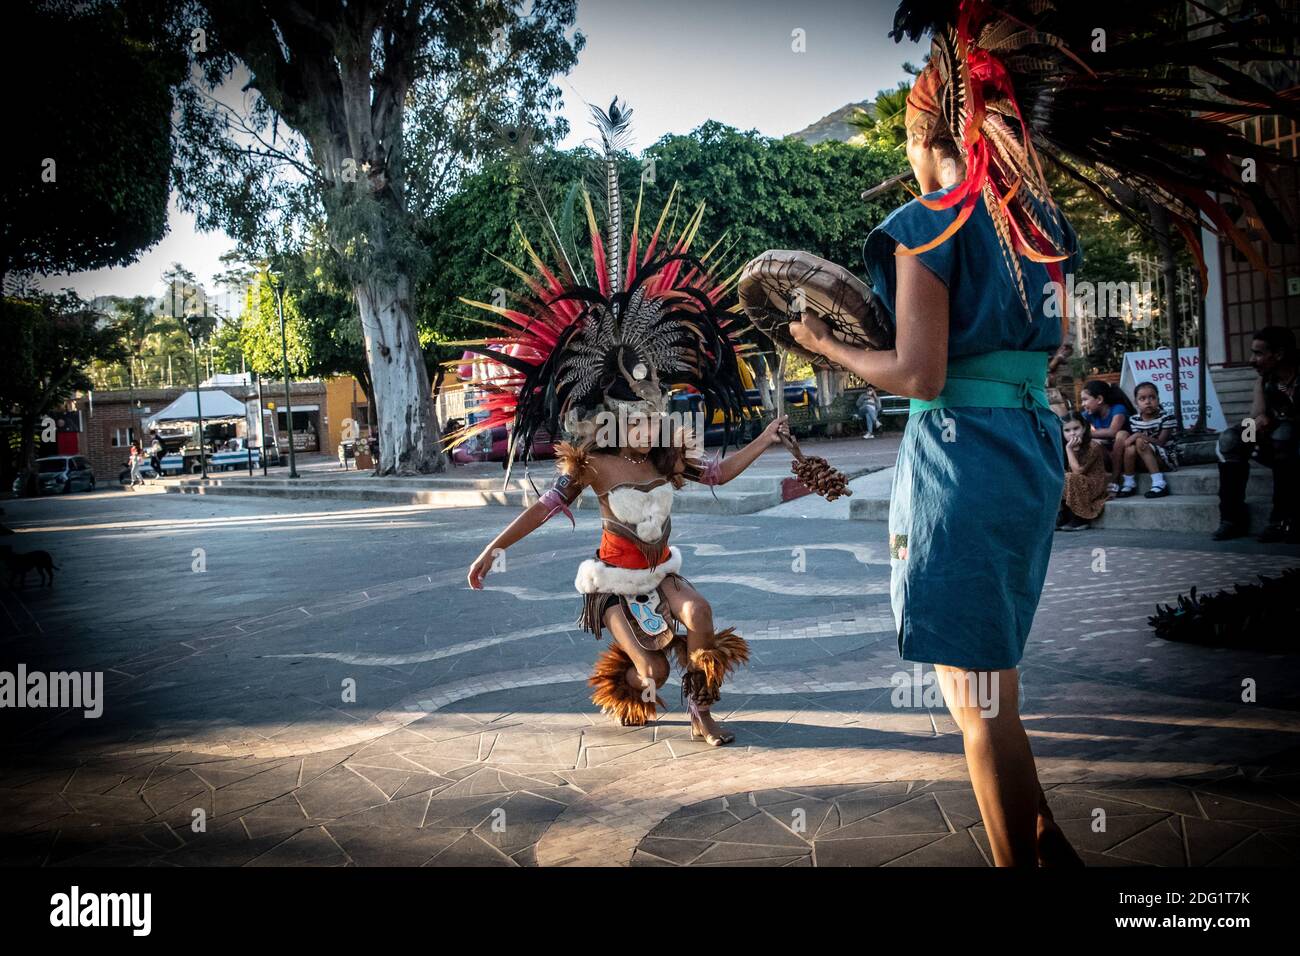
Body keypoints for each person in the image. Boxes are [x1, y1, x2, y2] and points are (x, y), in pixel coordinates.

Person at [789, 58, 1081, 867]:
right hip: (1028, 449)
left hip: (963, 461)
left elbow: (921, 373)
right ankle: (1048, 837)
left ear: (926, 143)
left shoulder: (929, 222)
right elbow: (1049, 354)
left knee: (974, 698)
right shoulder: (1043, 231)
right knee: (998, 679)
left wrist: (827, 346)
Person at [461, 99, 765, 745]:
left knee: (701, 612)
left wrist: (767, 438)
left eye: (652, 410)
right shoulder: (590, 463)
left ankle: (702, 712)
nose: (648, 419)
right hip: (616, 584)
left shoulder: (664, 453)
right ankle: (645, 670)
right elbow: (543, 510)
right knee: (651, 669)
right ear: (608, 413)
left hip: (661, 571)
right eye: (637, 412)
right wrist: (493, 548)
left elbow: (718, 474)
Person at [1215, 326, 1299, 542]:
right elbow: (1255, 416)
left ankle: (1282, 520)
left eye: (1259, 353)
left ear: (1279, 354)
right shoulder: (1264, 381)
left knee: (1285, 433)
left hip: (1291, 447)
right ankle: (1231, 519)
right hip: (1275, 445)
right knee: (1231, 440)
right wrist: (1257, 421)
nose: (1252, 360)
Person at [1119, 381, 1177, 499]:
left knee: (1139, 440)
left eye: (1152, 397)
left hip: (1165, 459)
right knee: (1130, 448)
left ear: (1158, 399)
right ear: (1136, 403)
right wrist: (1135, 438)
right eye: (1142, 399)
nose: (1148, 402)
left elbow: (1161, 442)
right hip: (1145, 457)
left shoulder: (1167, 417)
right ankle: (1129, 482)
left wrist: (1138, 436)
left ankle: (1159, 483)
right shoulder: (1134, 420)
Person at [1079, 380, 1134, 497]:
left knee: (1121, 434)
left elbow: (1113, 431)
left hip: (1127, 457)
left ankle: (1115, 478)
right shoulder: (1089, 414)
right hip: (1108, 457)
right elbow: (1074, 425)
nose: (1082, 404)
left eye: (1085, 399)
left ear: (1099, 399)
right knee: (1093, 444)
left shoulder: (1118, 409)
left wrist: (1086, 434)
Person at [1058, 413, 1107, 531]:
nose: (1072, 433)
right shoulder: (1061, 446)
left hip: (1093, 484)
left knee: (1071, 477)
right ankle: (1062, 515)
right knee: (1056, 476)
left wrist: (1069, 450)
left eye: (1076, 428)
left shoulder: (1093, 446)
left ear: (1084, 428)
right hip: (1072, 483)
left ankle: (1080, 518)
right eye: (1067, 430)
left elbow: (1078, 471)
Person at [1047, 342, 1075, 418]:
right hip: (1054, 387)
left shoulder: (1058, 358)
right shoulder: (1057, 357)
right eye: (1067, 353)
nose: (1066, 356)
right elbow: (1050, 368)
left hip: (1058, 386)